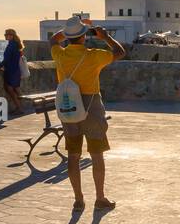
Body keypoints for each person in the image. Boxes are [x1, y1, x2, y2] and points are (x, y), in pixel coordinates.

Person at [51, 18, 126, 212]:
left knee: (73, 156)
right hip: (91, 107)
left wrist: (69, 29)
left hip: (69, 108)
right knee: (96, 154)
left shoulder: (59, 54)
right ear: (84, 37)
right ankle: (100, 198)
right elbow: (120, 52)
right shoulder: (93, 56)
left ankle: (78, 199)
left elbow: (53, 39)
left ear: (68, 37)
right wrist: (105, 36)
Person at [0, 29, 27, 115]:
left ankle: (19, 108)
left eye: (7, 34)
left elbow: (7, 59)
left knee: (10, 89)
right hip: (15, 70)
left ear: (12, 36)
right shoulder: (16, 45)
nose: (5, 36)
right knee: (16, 89)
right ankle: (20, 107)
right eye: (5, 34)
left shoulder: (11, 45)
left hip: (11, 71)